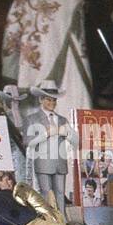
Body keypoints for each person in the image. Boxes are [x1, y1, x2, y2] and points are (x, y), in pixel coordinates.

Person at [24, 80, 73, 213]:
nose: (52, 103)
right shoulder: (32, 119)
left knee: (60, 193)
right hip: (43, 162)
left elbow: (75, 140)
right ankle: (48, 220)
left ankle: (61, 220)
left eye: (54, 100)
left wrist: (67, 134)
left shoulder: (62, 119)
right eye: (48, 100)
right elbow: (27, 141)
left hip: (60, 163)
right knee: (46, 193)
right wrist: (46, 134)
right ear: (41, 99)